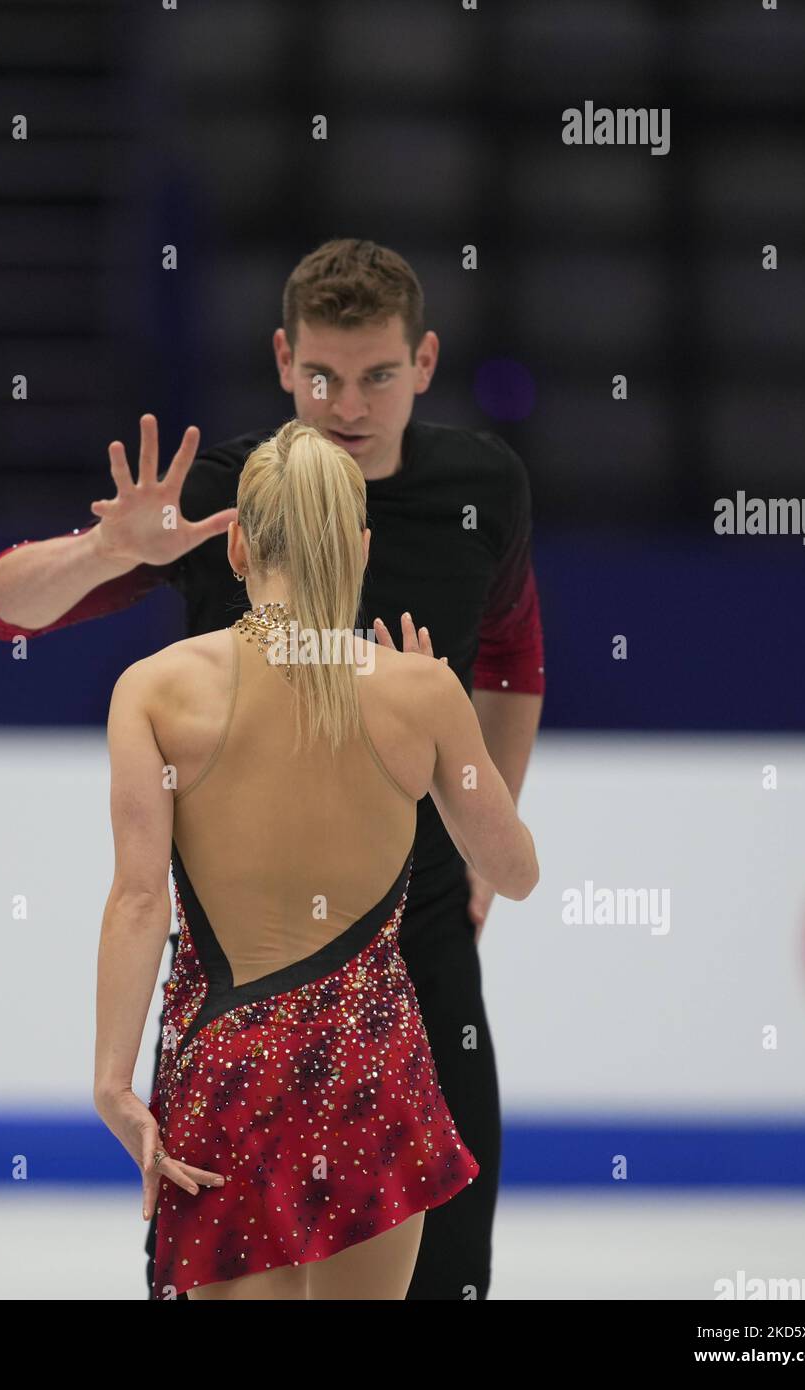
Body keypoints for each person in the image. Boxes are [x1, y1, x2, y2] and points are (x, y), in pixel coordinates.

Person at [0, 238, 546, 1299]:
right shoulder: (219, 492)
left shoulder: (480, 490)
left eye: (374, 375)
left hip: (275, 1001)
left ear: (421, 363)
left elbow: (517, 655)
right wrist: (113, 550)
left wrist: (463, 844)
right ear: (283, 360)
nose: (347, 405)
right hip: (344, 1013)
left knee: (451, 1271)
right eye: (323, 376)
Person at [93, 418, 538, 1300]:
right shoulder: (420, 692)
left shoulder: (155, 688)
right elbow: (514, 871)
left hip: (228, 1063)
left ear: (239, 549)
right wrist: (443, 734)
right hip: (370, 1068)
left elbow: (138, 902)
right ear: (360, 545)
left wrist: (112, 1082)